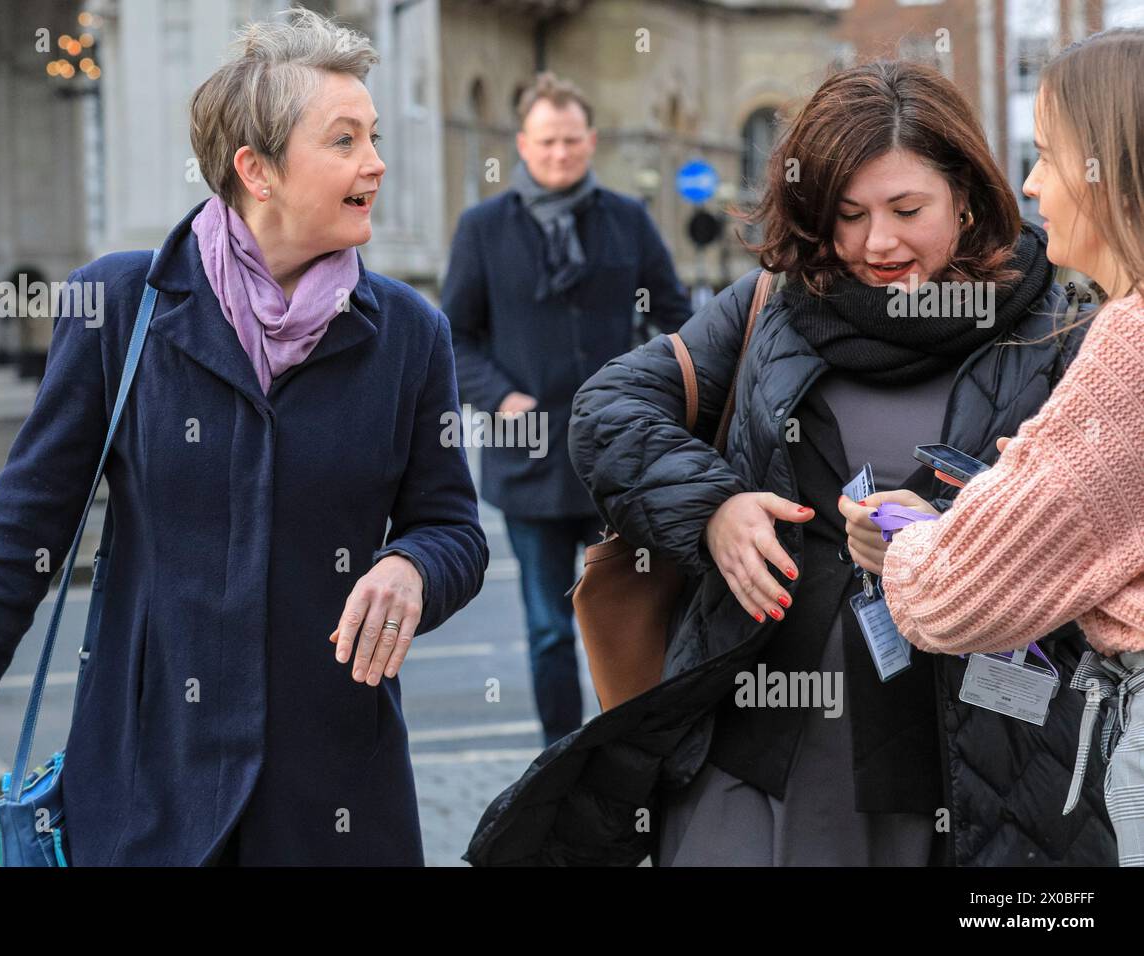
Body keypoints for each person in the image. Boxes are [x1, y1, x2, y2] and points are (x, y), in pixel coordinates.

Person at [465, 59, 1116, 867]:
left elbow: (1097, 529)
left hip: (974, 767)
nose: (878, 243)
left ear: (967, 193)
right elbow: (610, 410)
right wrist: (712, 508)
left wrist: (953, 541)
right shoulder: (775, 303)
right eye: (848, 215)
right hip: (753, 751)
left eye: (906, 208)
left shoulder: (1062, 325)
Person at [0, 8, 487, 866]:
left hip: (335, 799)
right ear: (256, 170)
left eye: (374, 136)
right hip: (146, 786)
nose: (376, 164)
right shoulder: (121, 307)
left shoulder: (411, 334)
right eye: (344, 140)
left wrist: (412, 566)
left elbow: (455, 530)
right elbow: (25, 532)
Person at [868, 28, 1144, 867]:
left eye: (1049, 157)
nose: (1032, 186)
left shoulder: (1130, 348)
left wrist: (906, 536)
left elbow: (949, 596)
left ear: (1113, 170)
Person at [444, 71, 691, 745]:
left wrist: (656, 392)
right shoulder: (482, 229)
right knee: (550, 628)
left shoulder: (627, 220)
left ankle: (632, 751)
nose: (561, 154)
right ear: (523, 144)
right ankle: (562, 758)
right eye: (547, 142)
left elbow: (679, 323)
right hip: (526, 463)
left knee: (629, 616)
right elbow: (455, 338)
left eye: (572, 141)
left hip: (616, 460)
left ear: (591, 140)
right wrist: (501, 397)